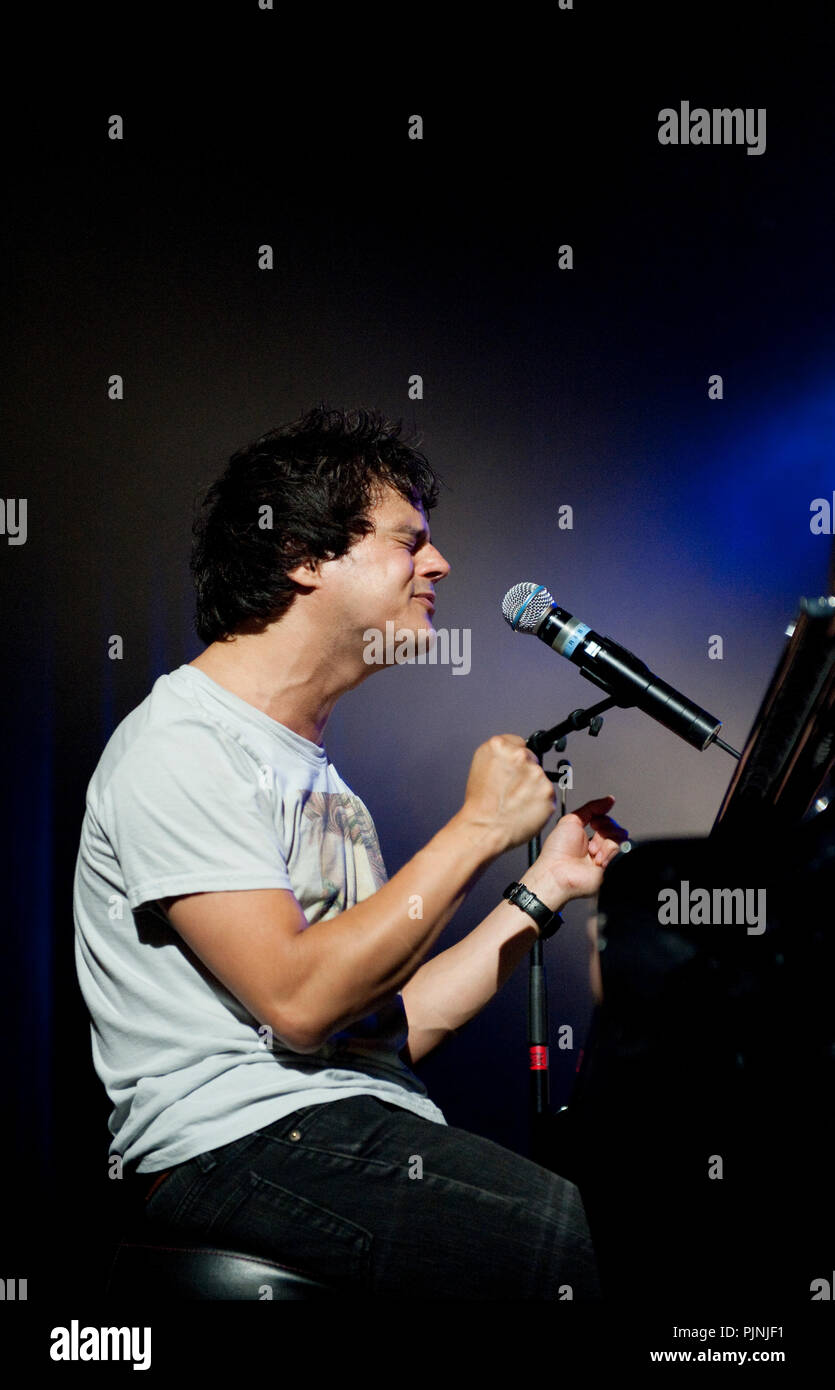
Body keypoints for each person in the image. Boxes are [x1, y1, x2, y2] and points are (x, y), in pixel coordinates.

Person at [73, 405, 627, 1300]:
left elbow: (382, 1027)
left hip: (342, 1121)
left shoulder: (313, 771)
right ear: (301, 555)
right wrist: (477, 828)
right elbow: (298, 1001)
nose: (439, 564)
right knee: (595, 1248)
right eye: (410, 541)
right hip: (241, 1146)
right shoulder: (181, 742)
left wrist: (541, 887)